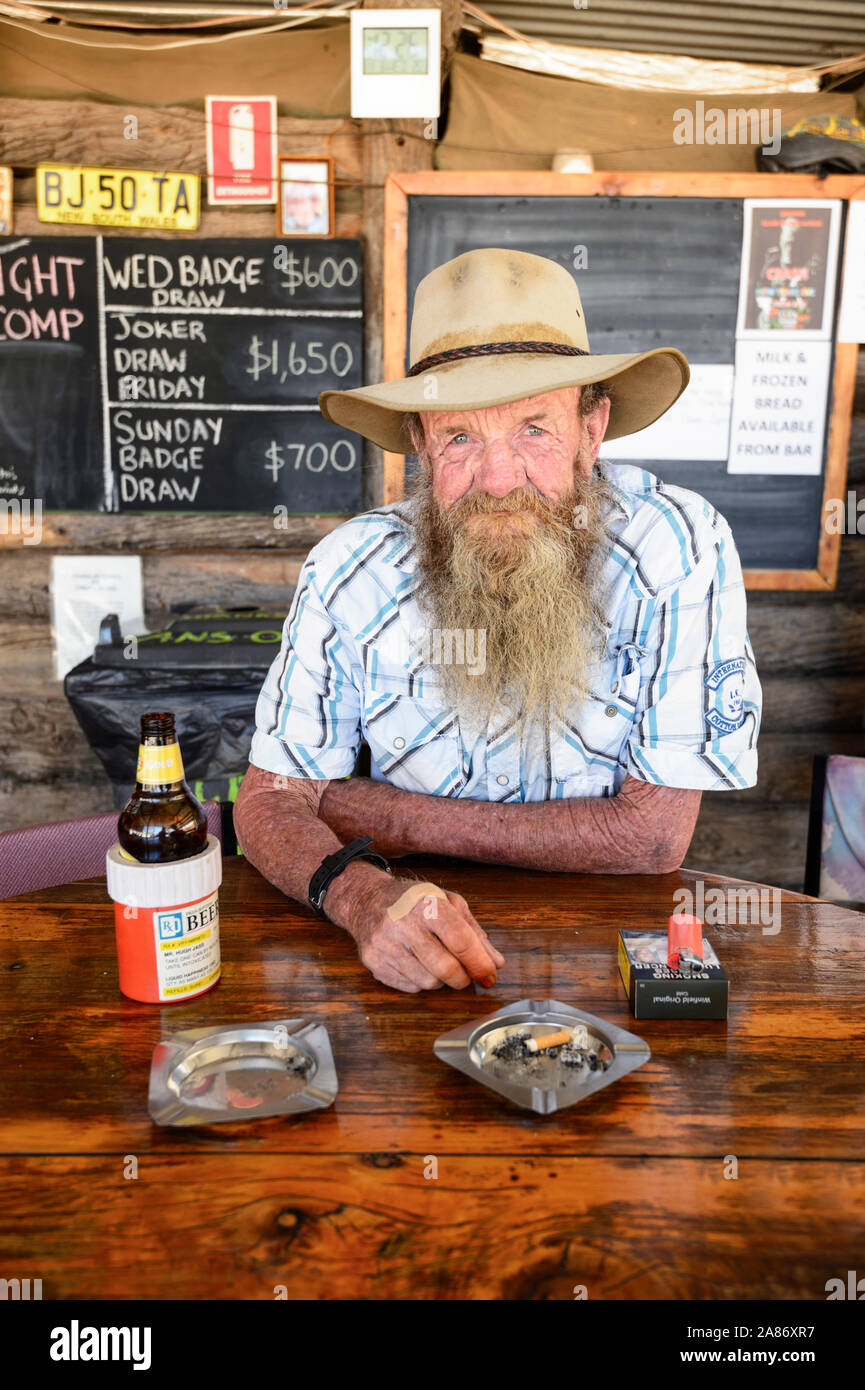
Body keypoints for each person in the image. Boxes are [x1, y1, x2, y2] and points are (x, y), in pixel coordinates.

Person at [234, 248, 761, 993]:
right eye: (459, 438)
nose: (499, 480)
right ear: (419, 443)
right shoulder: (347, 570)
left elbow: (649, 840)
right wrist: (360, 896)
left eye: (532, 429)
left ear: (592, 426)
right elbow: (267, 801)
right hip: (397, 940)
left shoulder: (676, 548)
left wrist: (379, 814)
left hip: (607, 955)